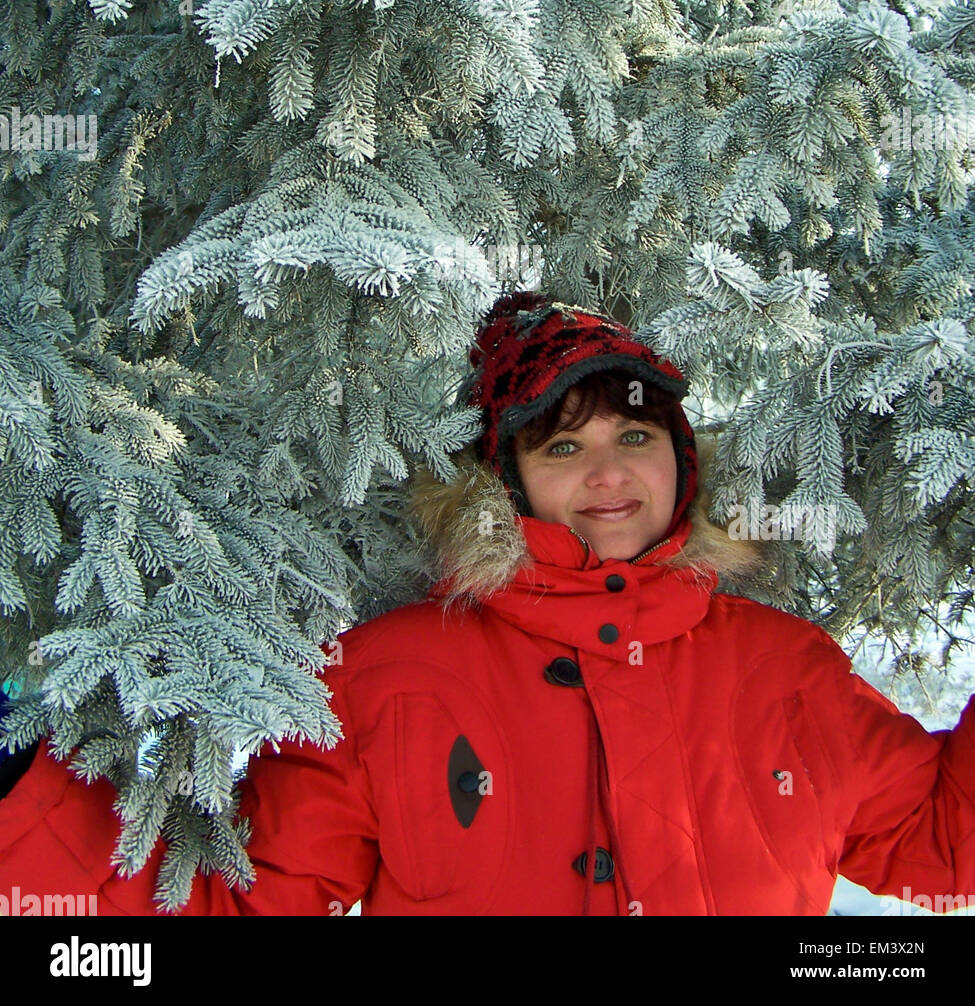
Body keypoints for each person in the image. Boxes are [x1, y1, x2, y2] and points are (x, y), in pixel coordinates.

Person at [2, 291, 975, 915]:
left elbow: (942, 842)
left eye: (634, 435)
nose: (607, 473)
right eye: (561, 445)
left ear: (682, 458)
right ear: (500, 480)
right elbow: (224, 900)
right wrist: (21, 799)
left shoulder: (785, 667)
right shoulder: (391, 676)